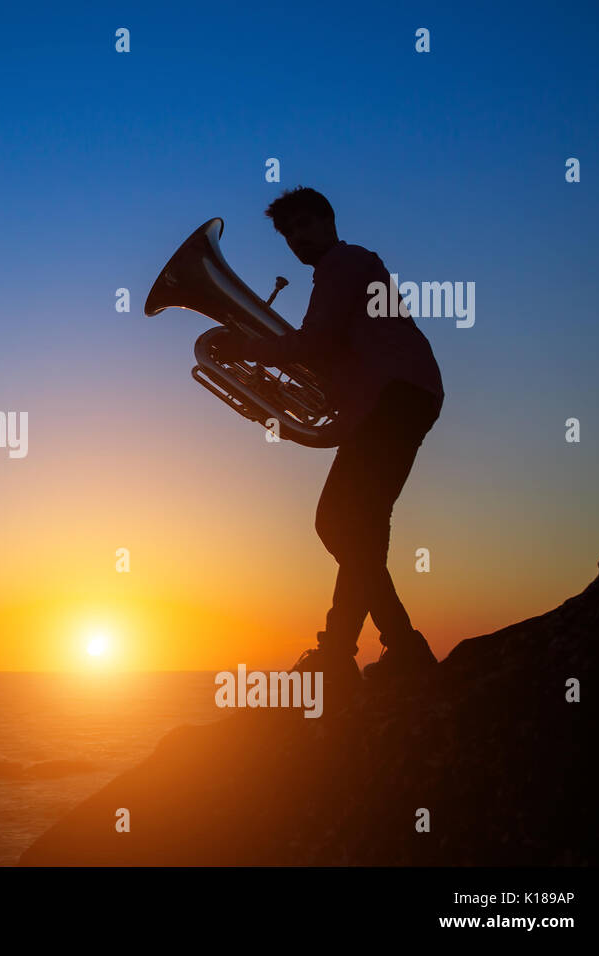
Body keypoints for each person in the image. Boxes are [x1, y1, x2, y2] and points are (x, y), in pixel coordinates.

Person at [213, 187, 444, 695]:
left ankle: (380, 650)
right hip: (390, 402)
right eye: (288, 232)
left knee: (336, 522)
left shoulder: (347, 262)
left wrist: (243, 348)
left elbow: (311, 345)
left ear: (327, 220)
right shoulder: (341, 270)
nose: (296, 238)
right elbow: (328, 355)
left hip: (394, 400)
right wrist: (268, 388)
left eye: (303, 225)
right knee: (359, 528)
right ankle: (354, 654)